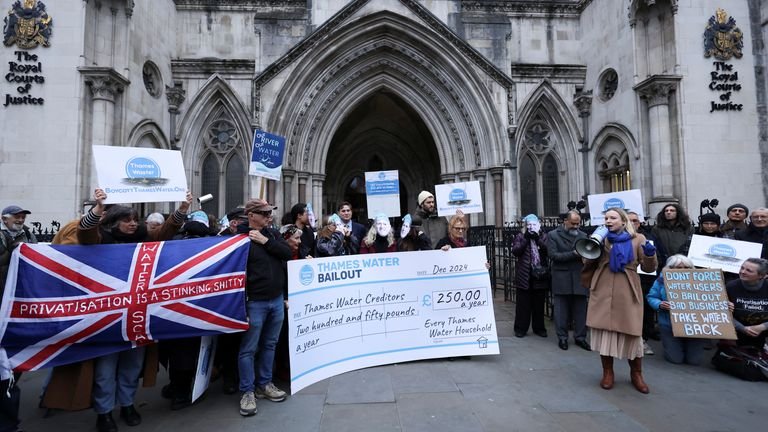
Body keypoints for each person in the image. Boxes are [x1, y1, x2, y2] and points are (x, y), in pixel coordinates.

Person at [78, 188, 191, 432]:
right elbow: (84, 232)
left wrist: (182, 210)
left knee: (132, 364)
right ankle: (104, 412)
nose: (132, 224)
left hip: (137, 314)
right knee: (106, 368)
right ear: (113, 222)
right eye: (126, 220)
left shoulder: (142, 238)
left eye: (134, 220)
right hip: (107, 315)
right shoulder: (100, 239)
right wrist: (97, 207)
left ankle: (127, 404)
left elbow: (166, 232)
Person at [585, 207, 657, 394]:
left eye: (613, 218)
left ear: (623, 221)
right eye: (606, 218)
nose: (608, 221)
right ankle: (608, 373)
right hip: (603, 286)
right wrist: (591, 246)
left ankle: (636, 374)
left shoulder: (638, 239)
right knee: (605, 331)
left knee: (631, 331)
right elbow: (587, 261)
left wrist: (650, 255)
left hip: (627, 288)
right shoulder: (602, 238)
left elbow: (649, 269)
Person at [237, 199, 291, 417]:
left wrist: (265, 241)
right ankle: (247, 391)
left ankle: (265, 383)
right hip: (254, 302)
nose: (270, 216)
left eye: (270, 212)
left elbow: (286, 253)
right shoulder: (239, 239)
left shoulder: (272, 234)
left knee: (270, 344)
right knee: (249, 349)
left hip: (276, 300)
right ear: (251, 215)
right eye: (265, 213)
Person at [0, 205, 37, 432]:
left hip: (18, 301)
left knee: (14, 354)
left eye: (23, 216)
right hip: (2, 298)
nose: (21, 219)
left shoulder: (29, 234)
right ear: (4, 218)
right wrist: (12, 251)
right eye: (17, 216)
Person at [646, 255, 709, 365]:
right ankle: (673, 346)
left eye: (686, 268)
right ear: (670, 268)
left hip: (695, 325)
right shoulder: (661, 280)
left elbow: (714, 297)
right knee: (675, 359)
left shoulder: (701, 280)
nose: (683, 270)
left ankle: (688, 346)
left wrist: (724, 304)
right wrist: (660, 304)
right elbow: (651, 297)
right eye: (678, 268)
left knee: (694, 361)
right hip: (669, 325)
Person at [546, 211, 590, 351]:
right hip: (561, 277)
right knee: (561, 311)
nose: (576, 226)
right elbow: (553, 255)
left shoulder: (583, 236)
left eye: (578, 224)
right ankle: (562, 338)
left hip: (579, 277)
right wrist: (573, 254)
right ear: (565, 221)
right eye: (573, 223)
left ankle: (580, 338)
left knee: (581, 310)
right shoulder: (553, 235)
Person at [511, 214, 549, 339]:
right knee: (523, 304)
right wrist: (526, 240)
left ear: (538, 225)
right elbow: (516, 251)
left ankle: (539, 328)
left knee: (539, 303)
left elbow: (548, 250)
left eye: (534, 225)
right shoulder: (520, 236)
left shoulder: (543, 235)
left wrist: (538, 239)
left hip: (539, 274)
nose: (531, 227)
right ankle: (520, 328)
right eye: (529, 225)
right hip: (525, 273)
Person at [628, 211, 659, 354]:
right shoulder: (613, 237)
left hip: (645, 279)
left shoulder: (648, 237)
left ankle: (643, 339)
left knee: (645, 310)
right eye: (629, 220)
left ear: (639, 223)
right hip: (626, 279)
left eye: (635, 220)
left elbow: (653, 261)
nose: (632, 223)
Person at [726, 258, 768, 349]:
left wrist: (762, 327)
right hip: (737, 328)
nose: (743, 272)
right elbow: (723, 314)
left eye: (749, 270)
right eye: (742, 268)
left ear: (761, 276)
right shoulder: (731, 286)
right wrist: (742, 328)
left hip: (763, 329)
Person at [652, 203, 693, 274]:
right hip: (664, 264)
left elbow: (690, 245)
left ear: (678, 213)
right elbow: (656, 246)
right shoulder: (657, 229)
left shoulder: (688, 228)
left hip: (684, 265)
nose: (668, 212)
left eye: (672, 210)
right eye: (666, 211)